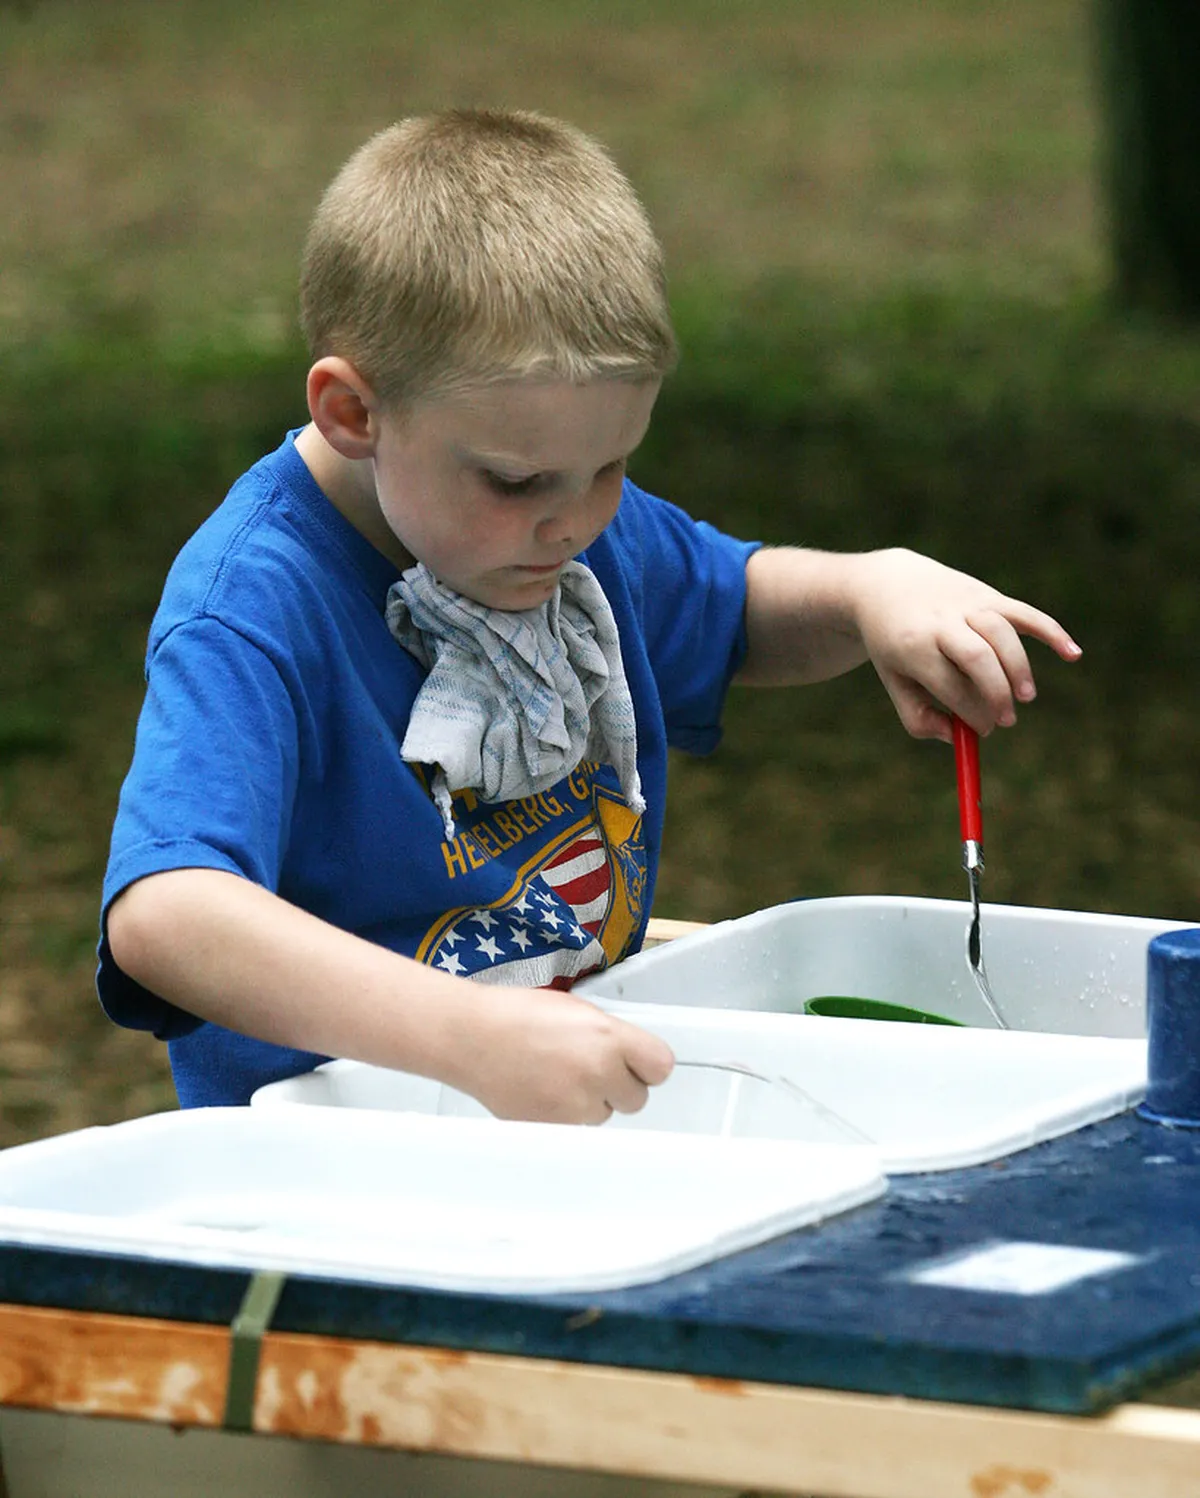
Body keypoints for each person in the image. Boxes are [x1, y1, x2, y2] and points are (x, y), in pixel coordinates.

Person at [99, 109, 1081, 1122]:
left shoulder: (565, 523)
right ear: (353, 414)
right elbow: (167, 914)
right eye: (518, 479)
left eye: (613, 465)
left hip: (559, 1137)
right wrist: (466, 1035)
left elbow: (735, 608)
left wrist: (871, 591)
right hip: (335, 1176)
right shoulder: (255, 607)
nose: (573, 522)